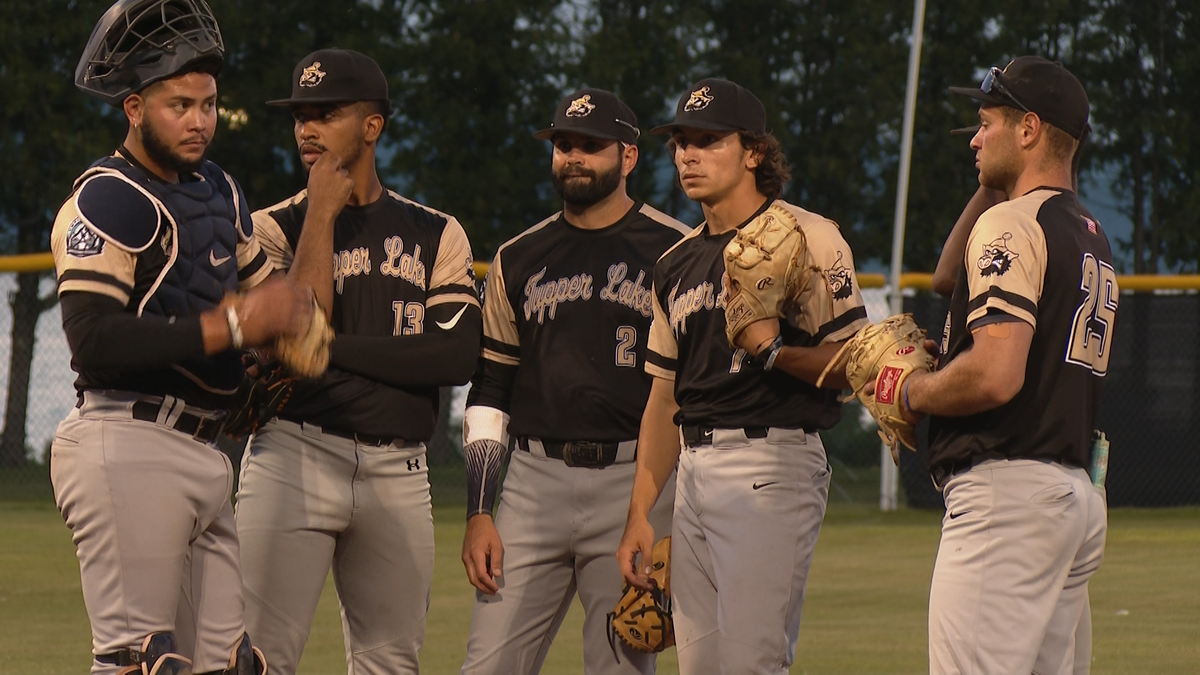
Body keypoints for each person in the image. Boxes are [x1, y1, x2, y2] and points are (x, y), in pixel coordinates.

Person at [51, 0, 304, 672]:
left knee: (231, 664)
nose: (199, 120)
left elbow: (260, 306)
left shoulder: (220, 190)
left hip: (206, 450)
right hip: (125, 442)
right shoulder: (106, 198)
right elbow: (93, 342)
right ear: (133, 108)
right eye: (178, 104)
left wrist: (274, 343)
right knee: (142, 662)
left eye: (209, 103)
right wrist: (233, 325)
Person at [233, 48, 481, 674]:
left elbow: (452, 355)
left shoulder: (436, 231)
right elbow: (290, 347)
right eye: (300, 116)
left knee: (391, 664)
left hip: (398, 468)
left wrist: (332, 348)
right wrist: (320, 212)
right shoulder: (269, 228)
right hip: (293, 454)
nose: (306, 129)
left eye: (326, 113)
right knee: (258, 659)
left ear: (372, 126)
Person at [616, 78, 870, 674]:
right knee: (700, 667)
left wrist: (774, 349)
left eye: (708, 140)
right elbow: (662, 400)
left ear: (754, 152)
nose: (688, 155)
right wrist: (639, 515)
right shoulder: (674, 263)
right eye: (681, 141)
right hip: (693, 473)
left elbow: (855, 359)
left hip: (771, 462)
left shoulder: (808, 235)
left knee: (752, 662)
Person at [459, 88, 688, 675]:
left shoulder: (675, 253)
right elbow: (490, 390)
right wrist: (480, 510)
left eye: (591, 145)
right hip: (532, 487)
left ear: (629, 157)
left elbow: (691, 391)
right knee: (486, 665)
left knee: (620, 665)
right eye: (563, 145)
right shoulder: (517, 256)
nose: (574, 157)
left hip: (634, 482)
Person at [901, 56, 1115, 674]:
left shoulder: (1012, 224)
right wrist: (1002, 178)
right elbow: (948, 277)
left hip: (1007, 495)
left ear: (1028, 130)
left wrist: (914, 392)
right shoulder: (1087, 231)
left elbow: (996, 373)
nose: (974, 138)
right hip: (1070, 497)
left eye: (987, 123)